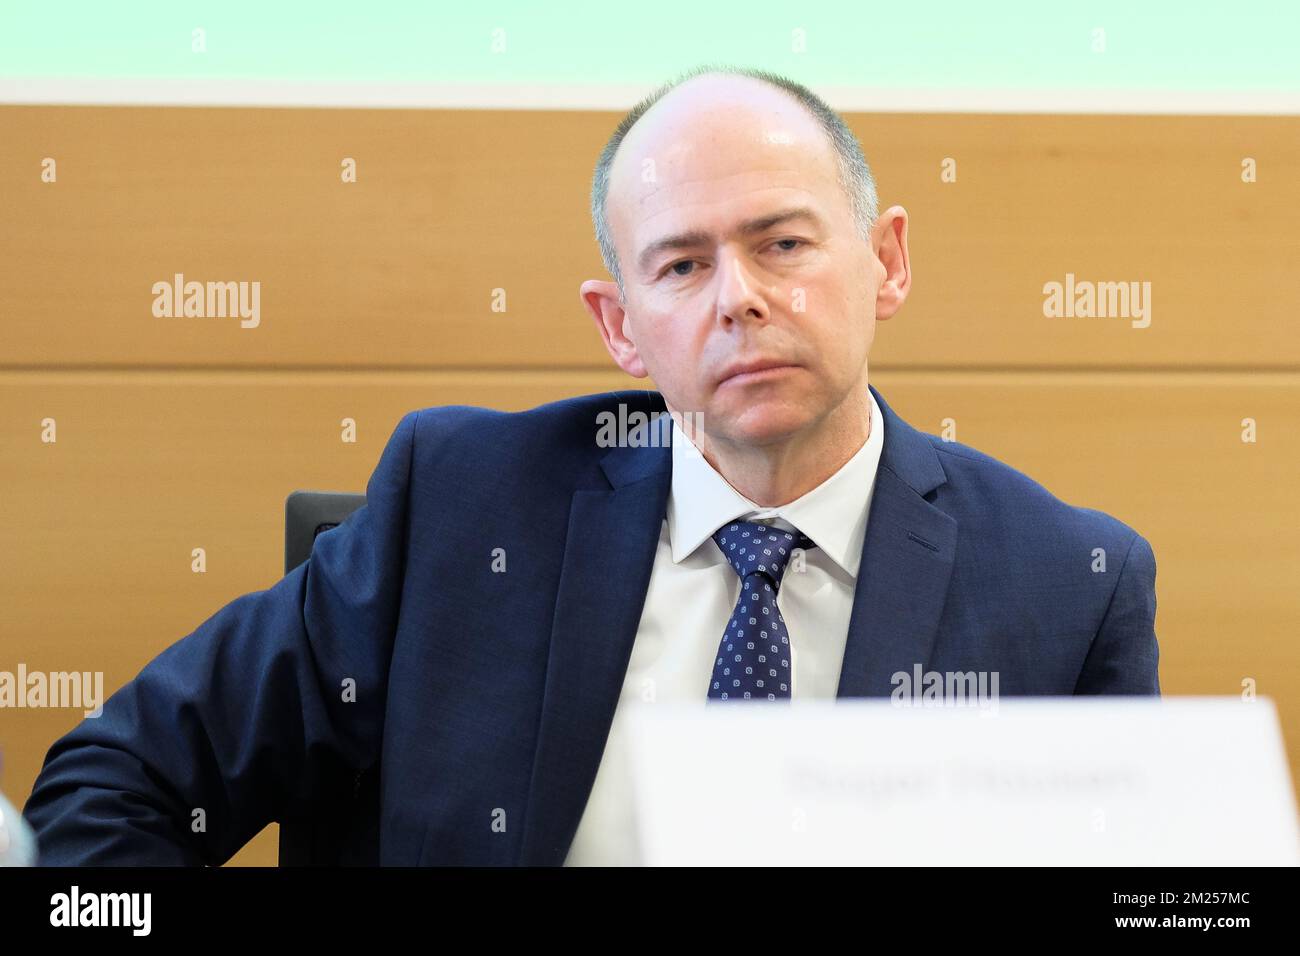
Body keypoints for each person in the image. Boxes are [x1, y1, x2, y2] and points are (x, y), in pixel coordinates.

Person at [23, 65, 1159, 867]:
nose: (740, 299)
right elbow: (118, 787)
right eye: (680, 266)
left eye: (783, 242)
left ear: (887, 260)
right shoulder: (460, 507)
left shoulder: (1066, 583)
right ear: (620, 327)